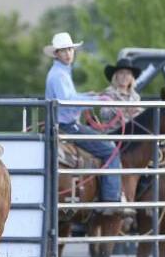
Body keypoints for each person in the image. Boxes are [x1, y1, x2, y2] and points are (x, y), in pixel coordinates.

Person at [43, 33, 130, 215]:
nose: (67, 54)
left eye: (69, 49)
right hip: (67, 126)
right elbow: (68, 101)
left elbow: (70, 98)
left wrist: (89, 97)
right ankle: (112, 200)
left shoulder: (60, 73)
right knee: (111, 150)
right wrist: (94, 100)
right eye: (63, 51)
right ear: (56, 54)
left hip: (64, 123)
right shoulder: (59, 75)